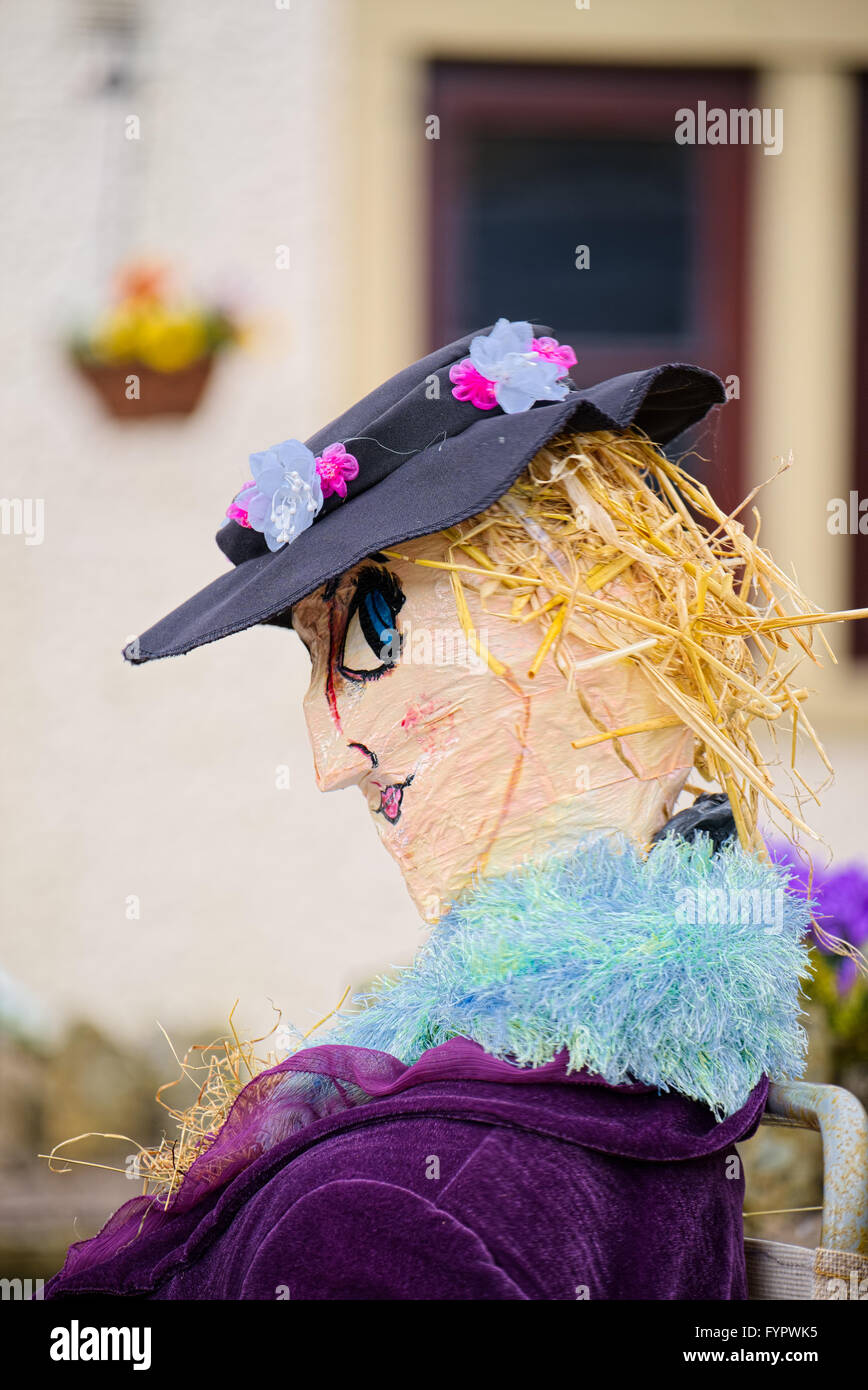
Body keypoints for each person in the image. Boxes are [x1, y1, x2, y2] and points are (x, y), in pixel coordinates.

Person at [45, 320, 854, 1301]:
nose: (325, 761)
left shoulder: (385, 1214)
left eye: (374, 630)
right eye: (314, 655)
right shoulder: (658, 1090)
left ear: (602, 647)